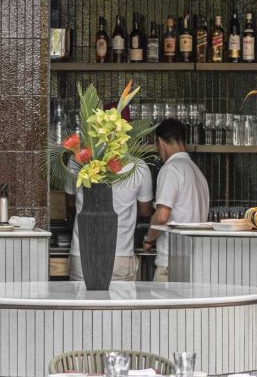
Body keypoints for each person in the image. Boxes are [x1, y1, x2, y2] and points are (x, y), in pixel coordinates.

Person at [65, 158, 153, 283]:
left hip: (82, 253)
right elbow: (145, 211)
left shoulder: (76, 160)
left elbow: (70, 203)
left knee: (82, 296)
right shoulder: (138, 166)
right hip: (120, 254)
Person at [145, 117, 209, 281]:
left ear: (160, 142)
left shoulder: (171, 169)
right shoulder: (197, 172)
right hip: (194, 262)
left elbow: (162, 216)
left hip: (171, 263)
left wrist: (148, 239)